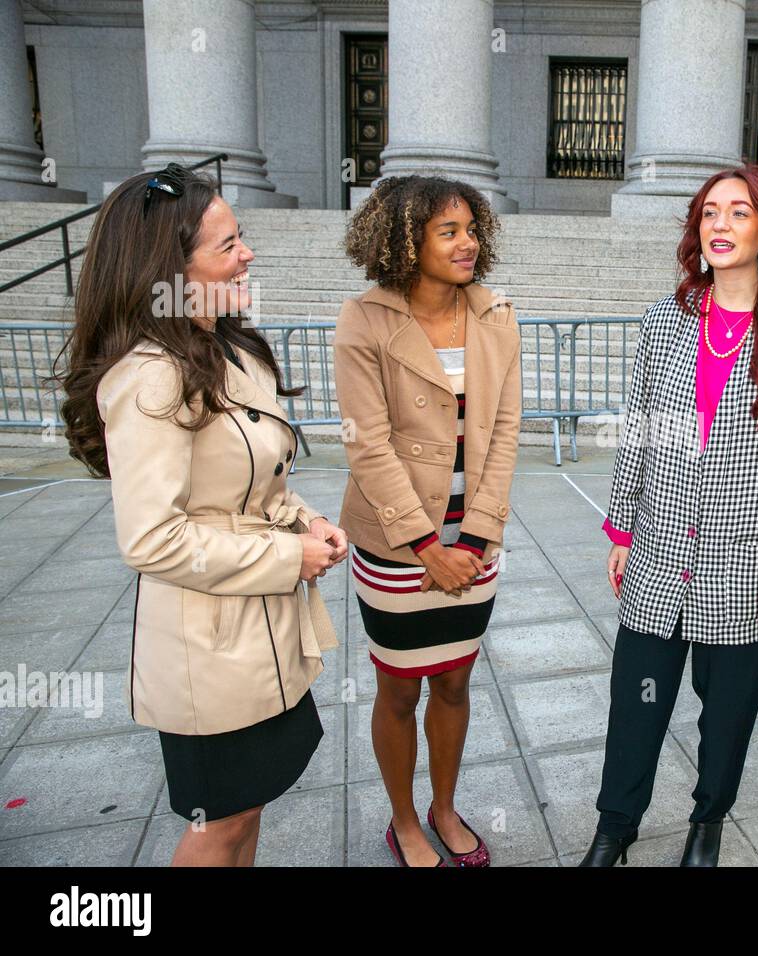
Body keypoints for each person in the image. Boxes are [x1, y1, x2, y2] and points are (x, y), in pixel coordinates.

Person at [58, 164, 345, 866]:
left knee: (245, 812)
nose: (247, 253)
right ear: (169, 269)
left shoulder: (230, 346)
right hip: (207, 652)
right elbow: (153, 538)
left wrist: (305, 522)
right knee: (216, 825)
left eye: (240, 237)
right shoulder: (150, 374)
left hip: (260, 634)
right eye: (226, 245)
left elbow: (255, 486)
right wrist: (288, 558)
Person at [579, 164, 758, 867]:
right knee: (636, 705)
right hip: (661, 550)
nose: (720, 225)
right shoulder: (666, 320)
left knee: (727, 717)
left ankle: (707, 825)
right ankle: (615, 827)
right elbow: (638, 429)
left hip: (748, 563)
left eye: (738, 213)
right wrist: (622, 528)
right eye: (709, 213)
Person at [336, 175, 522, 867]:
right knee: (398, 686)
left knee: (454, 680)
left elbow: (505, 430)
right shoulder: (364, 318)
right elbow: (366, 440)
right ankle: (404, 820)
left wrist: (472, 537)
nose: (468, 241)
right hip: (394, 546)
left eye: (472, 228)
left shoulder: (497, 313)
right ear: (404, 240)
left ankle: (445, 808)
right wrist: (424, 546)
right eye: (449, 231)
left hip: (474, 543)